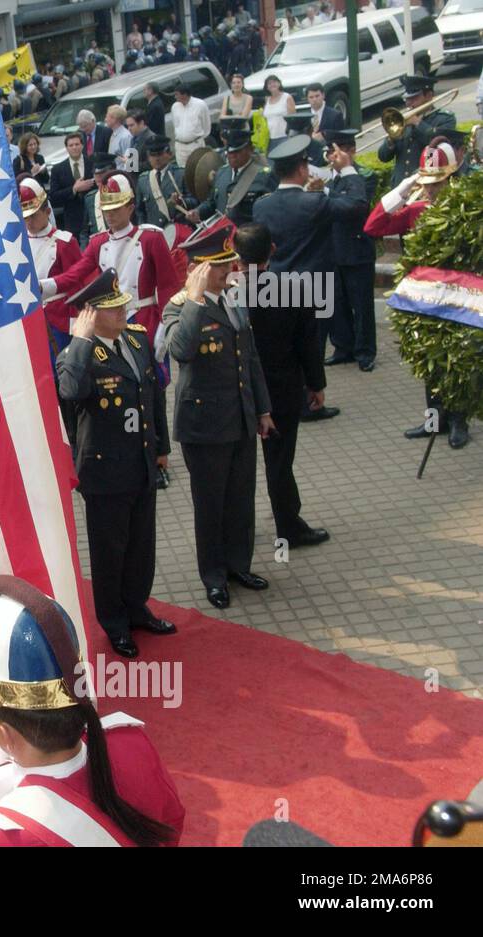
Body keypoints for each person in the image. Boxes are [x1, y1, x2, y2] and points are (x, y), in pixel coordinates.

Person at [0, 575, 185, 846]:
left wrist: (0, 781)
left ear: (6, 733)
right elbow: (172, 824)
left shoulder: (3, 833)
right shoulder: (131, 742)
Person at [57, 269, 175, 657]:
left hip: (141, 463)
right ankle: (115, 623)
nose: (124, 309)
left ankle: (137, 607)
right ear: (90, 314)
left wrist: (161, 446)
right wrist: (80, 339)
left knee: (141, 546)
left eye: (122, 302)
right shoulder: (80, 355)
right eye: (112, 307)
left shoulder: (136, 339)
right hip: (105, 472)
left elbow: (153, 394)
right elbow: (70, 390)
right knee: (111, 552)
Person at [161, 220, 274, 610]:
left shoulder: (234, 299)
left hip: (241, 417)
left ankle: (238, 565)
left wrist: (262, 409)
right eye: (219, 266)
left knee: (241, 499)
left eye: (229, 264)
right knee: (210, 504)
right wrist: (193, 300)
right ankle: (213, 576)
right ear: (198, 270)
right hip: (205, 426)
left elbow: (251, 357)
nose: (229, 272)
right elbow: (181, 351)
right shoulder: (178, 308)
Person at [365, 140, 471, 449]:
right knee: (429, 360)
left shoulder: (466, 210)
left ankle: (458, 421)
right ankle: (434, 420)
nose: (432, 189)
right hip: (424, 295)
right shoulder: (416, 209)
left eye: (437, 183)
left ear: (452, 178)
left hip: (458, 294)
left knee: (457, 360)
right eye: (427, 183)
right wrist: (405, 185)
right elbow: (374, 225)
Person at [253, 135, 366, 422]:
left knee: (287, 348)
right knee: (313, 346)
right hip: (317, 287)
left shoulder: (262, 206)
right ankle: (309, 402)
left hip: (276, 288)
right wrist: (348, 169)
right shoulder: (314, 202)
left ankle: (288, 401)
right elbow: (356, 205)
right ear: (303, 169)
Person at [233, 223, 331, 553]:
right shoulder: (294, 289)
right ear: (272, 250)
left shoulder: (229, 292)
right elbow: (309, 345)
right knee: (279, 462)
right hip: (283, 389)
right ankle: (288, 526)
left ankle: (237, 533)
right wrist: (316, 385)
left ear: (235, 254)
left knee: (237, 467)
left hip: (240, 393)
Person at [42, 173, 182, 342]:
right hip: (111, 323)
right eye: (106, 209)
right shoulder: (98, 243)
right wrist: (43, 287)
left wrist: (165, 324)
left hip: (145, 321)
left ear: (130, 208)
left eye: (115, 209)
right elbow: (74, 274)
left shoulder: (151, 238)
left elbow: (168, 286)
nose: (109, 215)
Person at [320, 128, 378, 372]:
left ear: (351, 150)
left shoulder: (363, 175)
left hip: (356, 249)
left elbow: (352, 206)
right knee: (336, 302)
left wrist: (324, 192)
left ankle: (365, 351)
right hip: (333, 249)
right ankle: (343, 347)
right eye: (330, 152)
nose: (333, 157)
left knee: (361, 304)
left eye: (339, 151)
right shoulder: (329, 178)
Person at [19, 178, 84, 356]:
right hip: (32, 320)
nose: (29, 222)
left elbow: (77, 285)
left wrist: (77, 324)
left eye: (33, 216)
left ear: (47, 211)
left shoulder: (65, 241)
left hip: (60, 321)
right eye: (24, 217)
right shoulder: (18, 244)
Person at [184, 128, 276, 226]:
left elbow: (271, 213)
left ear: (250, 149)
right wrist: (198, 211)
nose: (232, 156)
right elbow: (211, 202)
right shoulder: (221, 173)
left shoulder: (264, 176)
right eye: (230, 152)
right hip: (224, 234)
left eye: (237, 152)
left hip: (249, 236)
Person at [378, 75, 457, 188]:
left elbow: (439, 146)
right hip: (399, 187)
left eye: (414, 98)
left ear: (429, 96)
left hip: (426, 186)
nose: (409, 103)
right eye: (407, 99)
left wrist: (418, 123)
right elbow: (383, 157)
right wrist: (391, 139)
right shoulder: (402, 120)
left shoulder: (444, 118)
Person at [49, 132, 95, 244]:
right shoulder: (58, 169)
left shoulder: (93, 163)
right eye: (71, 145)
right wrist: (74, 189)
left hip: (93, 215)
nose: (74, 147)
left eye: (77, 144)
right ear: (66, 148)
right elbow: (54, 197)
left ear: (82, 145)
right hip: (72, 219)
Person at [136, 136, 189, 230]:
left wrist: (181, 201)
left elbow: (194, 201)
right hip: (154, 233)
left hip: (178, 230)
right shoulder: (143, 180)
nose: (156, 159)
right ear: (148, 157)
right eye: (153, 155)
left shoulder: (180, 174)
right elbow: (140, 211)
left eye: (159, 154)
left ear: (169, 154)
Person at [170, 83, 211, 167]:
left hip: (195, 145)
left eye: (177, 94)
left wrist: (197, 139)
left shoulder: (200, 105)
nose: (175, 97)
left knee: (199, 170)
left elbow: (206, 126)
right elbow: (175, 125)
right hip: (180, 147)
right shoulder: (175, 107)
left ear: (184, 95)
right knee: (182, 173)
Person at [261, 75, 296, 152]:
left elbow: (293, 117)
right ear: (267, 87)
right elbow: (263, 117)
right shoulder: (267, 99)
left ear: (279, 83)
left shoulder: (287, 97)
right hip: (269, 138)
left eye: (274, 82)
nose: (272, 84)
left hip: (284, 136)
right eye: (269, 83)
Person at [104, 105, 133, 170]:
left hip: (123, 176)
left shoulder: (125, 137)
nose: (105, 119)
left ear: (115, 119)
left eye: (107, 117)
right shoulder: (113, 134)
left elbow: (130, 163)